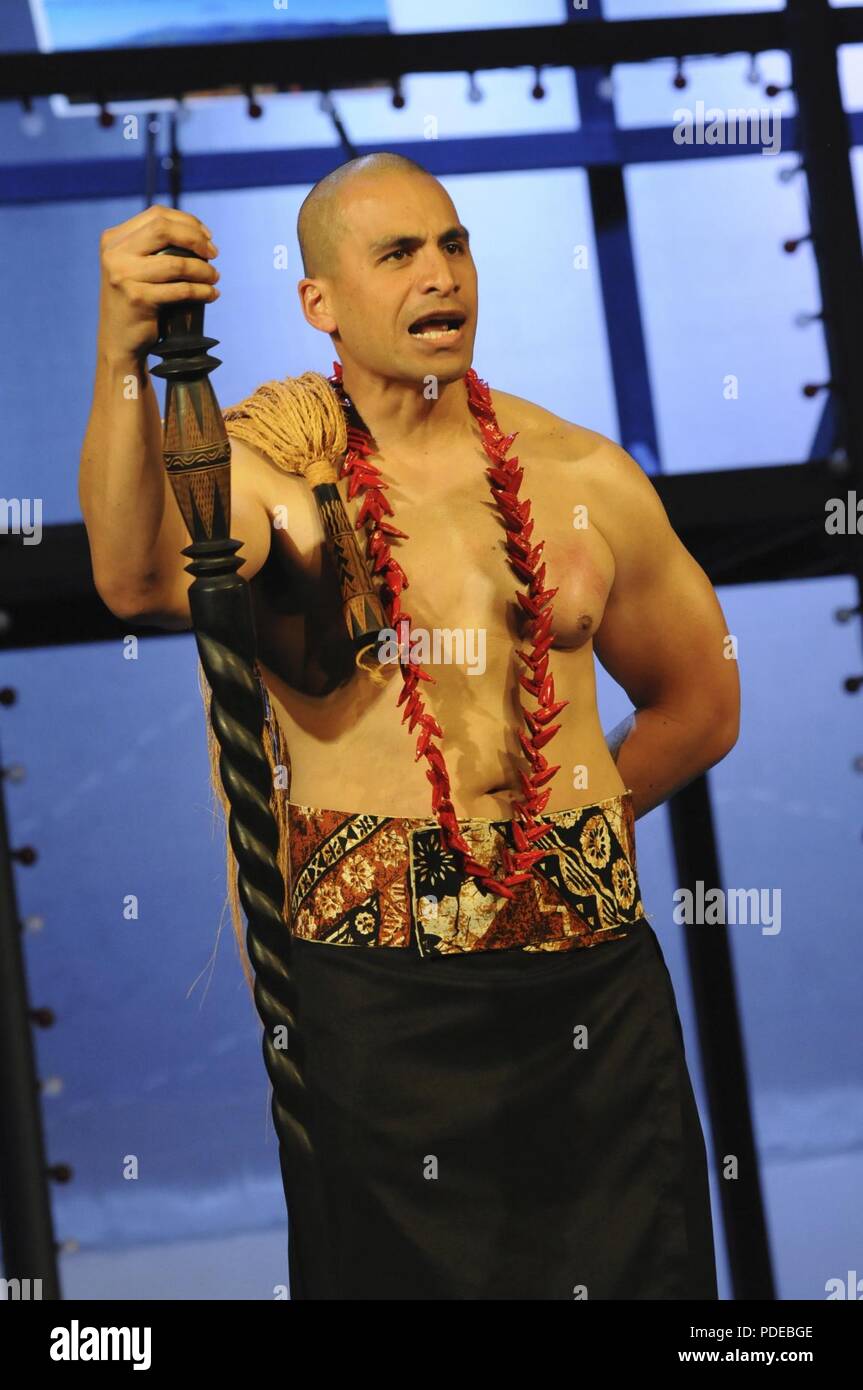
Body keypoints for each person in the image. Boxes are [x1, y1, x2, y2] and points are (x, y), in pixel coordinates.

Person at [79, 152, 739, 1300]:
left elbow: (701, 700)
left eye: (454, 245)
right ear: (319, 304)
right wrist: (120, 345)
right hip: (383, 1010)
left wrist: (565, 835)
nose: (440, 276)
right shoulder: (273, 473)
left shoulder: (579, 471)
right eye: (398, 254)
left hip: (591, 991)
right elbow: (137, 576)